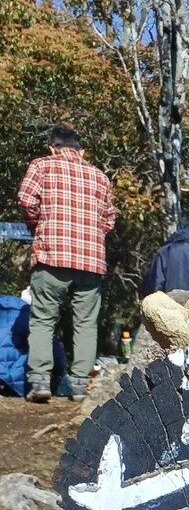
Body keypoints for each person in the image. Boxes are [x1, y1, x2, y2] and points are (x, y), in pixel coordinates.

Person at [17, 124, 116, 403]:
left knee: (43, 320)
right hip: (90, 261)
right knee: (85, 324)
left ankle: (39, 383)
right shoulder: (100, 177)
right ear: (80, 150)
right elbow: (109, 219)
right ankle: (80, 386)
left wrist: (39, 224)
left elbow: (26, 199)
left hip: (51, 256)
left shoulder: (41, 166)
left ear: (52, 147)